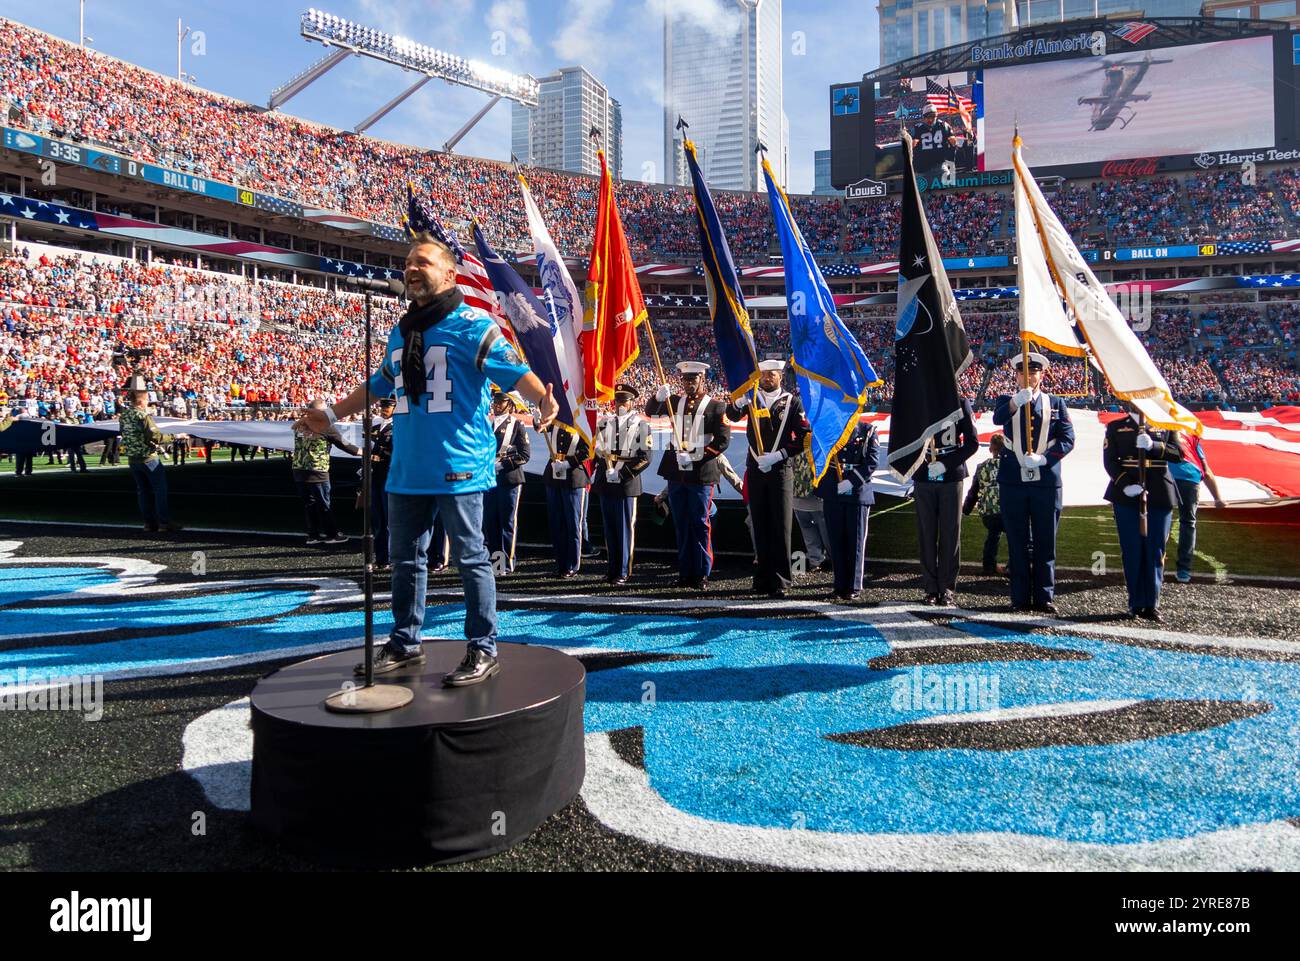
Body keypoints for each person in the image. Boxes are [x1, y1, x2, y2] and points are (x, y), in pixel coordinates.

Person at [296, 233, 558, 687]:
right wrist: (332, 413)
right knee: (405, 560)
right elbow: (380, 384)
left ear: (449, 273)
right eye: (408, 263)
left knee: (472, 559)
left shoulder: (475, 325)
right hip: (407, 467)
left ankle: (482, 647)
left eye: (423, 262)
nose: (411, 269)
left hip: (459, 464)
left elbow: (516, 372)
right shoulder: (402, 329)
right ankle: (405, 643)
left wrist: (543, 401)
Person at [992, 352, 1075, 615]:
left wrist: (1044, 459)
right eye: (1021, 372)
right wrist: (1016, 402)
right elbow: (998, 419)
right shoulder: (1006, 400)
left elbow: (1068, 439)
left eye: (1033, 372)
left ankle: (1044, 596)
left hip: (1046, 483)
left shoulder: (1056, 404)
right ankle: (1018, 597)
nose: (1027, 377)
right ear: (1016, 375)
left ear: (1042, 375)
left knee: (1045, 541)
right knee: (1016, 541)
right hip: (1013, 482)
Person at [725, 359, 808, 598]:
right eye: (763, 375)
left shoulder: (792, 402)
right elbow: (731, 415)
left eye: (772, 375)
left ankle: (781, 578)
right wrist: (739, 401)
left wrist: (780, 455)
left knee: (781, 525)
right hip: (756, 468)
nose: (767, 378)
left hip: (780, 470)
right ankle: (762, 576)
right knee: (759, 523)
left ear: (781, 376)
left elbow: (803, 436)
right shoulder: (752, 398)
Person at [646, 361, 730, 590]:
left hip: (701, 473)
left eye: (693, 380)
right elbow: (650, 412)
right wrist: (657, 397)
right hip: (676, 472)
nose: (689, 384)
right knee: (681, 523)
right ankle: (685, 571)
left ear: (702, 379)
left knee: (700, 524)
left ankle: (702, 572)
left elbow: (723, 441)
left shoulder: (716, 406)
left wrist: (697, 456)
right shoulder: (673, 402)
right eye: (685, 380)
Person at [1103, 407, 1184, 622]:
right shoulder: (1115, 427)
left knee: (1155, 550)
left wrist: (1154, 446)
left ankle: (1152, 604)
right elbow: (1110, 461)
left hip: (1159, 493)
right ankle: (1135, 602)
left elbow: (1178, 454)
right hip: (1127, 494)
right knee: (1132, 550)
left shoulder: (1166, 424)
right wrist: (1125, 484)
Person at [912, 397, 978, 606]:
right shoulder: (917, 402)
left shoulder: (959, 402)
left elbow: (972, 443)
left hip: (950, 476)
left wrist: (946, 464)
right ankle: (931, 588)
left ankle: (947, 587)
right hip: (923, 474)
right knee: (926, 533)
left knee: (950, 533)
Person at [591, 382, 651, 585]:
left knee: (625, 529)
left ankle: (624, 571)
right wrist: (600, 460)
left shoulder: (641, 425)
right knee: (609, 529)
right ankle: (612, 568)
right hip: (606, 480)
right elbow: (597, 450)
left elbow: (645, 457)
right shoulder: (604, 423)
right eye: (617, 400)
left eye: (624, 400)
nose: (620, 404)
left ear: (632, 402)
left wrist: (622, 473)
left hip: (626, 483)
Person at [816, 418, 879, 601]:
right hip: (834, 490)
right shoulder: (828, 428)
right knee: (836, 540)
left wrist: (851, 481)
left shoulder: (867, 430)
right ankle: (839, 584)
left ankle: (853, 585)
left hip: (857, 492)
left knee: (856, 541)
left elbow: (872, 461)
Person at [119, 372, 182, 533]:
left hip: (133, 459)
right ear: (141, 401)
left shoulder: (124, 415)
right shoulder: (143, 416)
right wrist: (176, 436)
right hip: (148, 458)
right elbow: (155, 435)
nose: (148, 403)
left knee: (143, 491)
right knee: (160, 489)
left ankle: (148, 523)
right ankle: (164, 522)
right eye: (147, 400)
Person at [293, 399, 361, 547]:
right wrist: (363, 452)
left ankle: (313, 535)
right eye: (323, 411)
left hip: (299, 470)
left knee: (309, 504)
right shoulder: (325, 426)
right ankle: (332, 534)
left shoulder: (300, 424)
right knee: (324, 504)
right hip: (317, 471)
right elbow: (344, 444)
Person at [1168, 431, 1227, 583]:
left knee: (1159, 520)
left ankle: (1154, 565)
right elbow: (1206, 471)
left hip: (1164, 477)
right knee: (1188, 523)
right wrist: (1217, 498)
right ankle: (1183, 570)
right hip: (1190, 479)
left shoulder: (1157, 430)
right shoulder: (1192, 437)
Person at [483, 389, 530, 574]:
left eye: (501, 401)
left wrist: (503, 464)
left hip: (509, 478)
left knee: (507, 522)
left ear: (510, 404)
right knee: (490, 521)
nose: (496, 404)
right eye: (495, 401)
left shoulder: (517, 425)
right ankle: (497, 564)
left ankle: (507, 562)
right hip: (490, 478)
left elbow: (524, 454)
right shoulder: (488, 424)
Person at [541, 417, 591, 579]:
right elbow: (543, 428)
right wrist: (537, 421)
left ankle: (572, 564)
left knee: (573, 523)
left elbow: (587, 449)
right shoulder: (556, 420)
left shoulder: (581, 422)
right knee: (557, 522)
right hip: (554, 475)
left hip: (573, 477)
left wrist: (569, 463)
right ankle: (561, 563)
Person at [962, 433, 1008, 576]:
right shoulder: (1011, 465)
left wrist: (966, 509)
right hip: (1009, 510)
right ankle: (1014, 567)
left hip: (989, 512)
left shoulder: (981, 467)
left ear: (991, 449)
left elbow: (973, 491)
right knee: (1016, 538)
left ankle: (989, 567)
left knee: (992, 537)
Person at [364, 396, 396, 570]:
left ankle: (390, 557)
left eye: (388, 407)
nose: (384, 409)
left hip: (388, 475)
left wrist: (379, 455)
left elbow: (394, 452)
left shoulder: (397, 428)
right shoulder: (376, 427)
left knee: (389, 519)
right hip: (375, 476)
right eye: (383, 406)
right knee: (378, 519)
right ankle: (381, 557)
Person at [912, 103, 956, 175]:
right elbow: (911, 146)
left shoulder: (943, 126)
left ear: (936, 116)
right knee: (921, 184)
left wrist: (953, 139)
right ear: (924, 117)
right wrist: (912, 142)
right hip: (923, 167)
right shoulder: (917, 128)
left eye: (933, 116)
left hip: (940, 164)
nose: (930, 119)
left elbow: (953, 142)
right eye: (928, 117)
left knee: (947, 181)